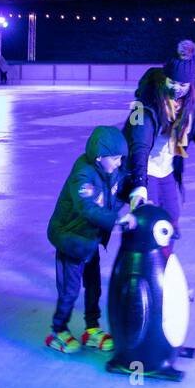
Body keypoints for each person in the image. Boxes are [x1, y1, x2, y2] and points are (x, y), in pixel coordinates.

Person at [122, 41, 195, 236]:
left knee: (171, 217)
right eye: (173, 82)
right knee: (147, 220)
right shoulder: (145, 104)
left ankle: (165, 258)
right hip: (145, 167)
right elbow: (139, 145)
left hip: (168, 168)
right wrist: (138, 185)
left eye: (183, 84)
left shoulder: (191, 103)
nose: (178, 88)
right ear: (165, 79)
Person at [45, 126, 134, 354]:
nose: (118, 163)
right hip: (71, 237)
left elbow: (122, 187)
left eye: (120, 158)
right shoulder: (82, 174)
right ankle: (58, 331)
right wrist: (117, 220)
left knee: (93, 285)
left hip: (90, 239)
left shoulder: (112, 170)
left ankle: (92, 330)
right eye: (115, 159)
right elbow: (87, 208)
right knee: (70, 289)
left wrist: (136, 196)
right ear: (99, 157)